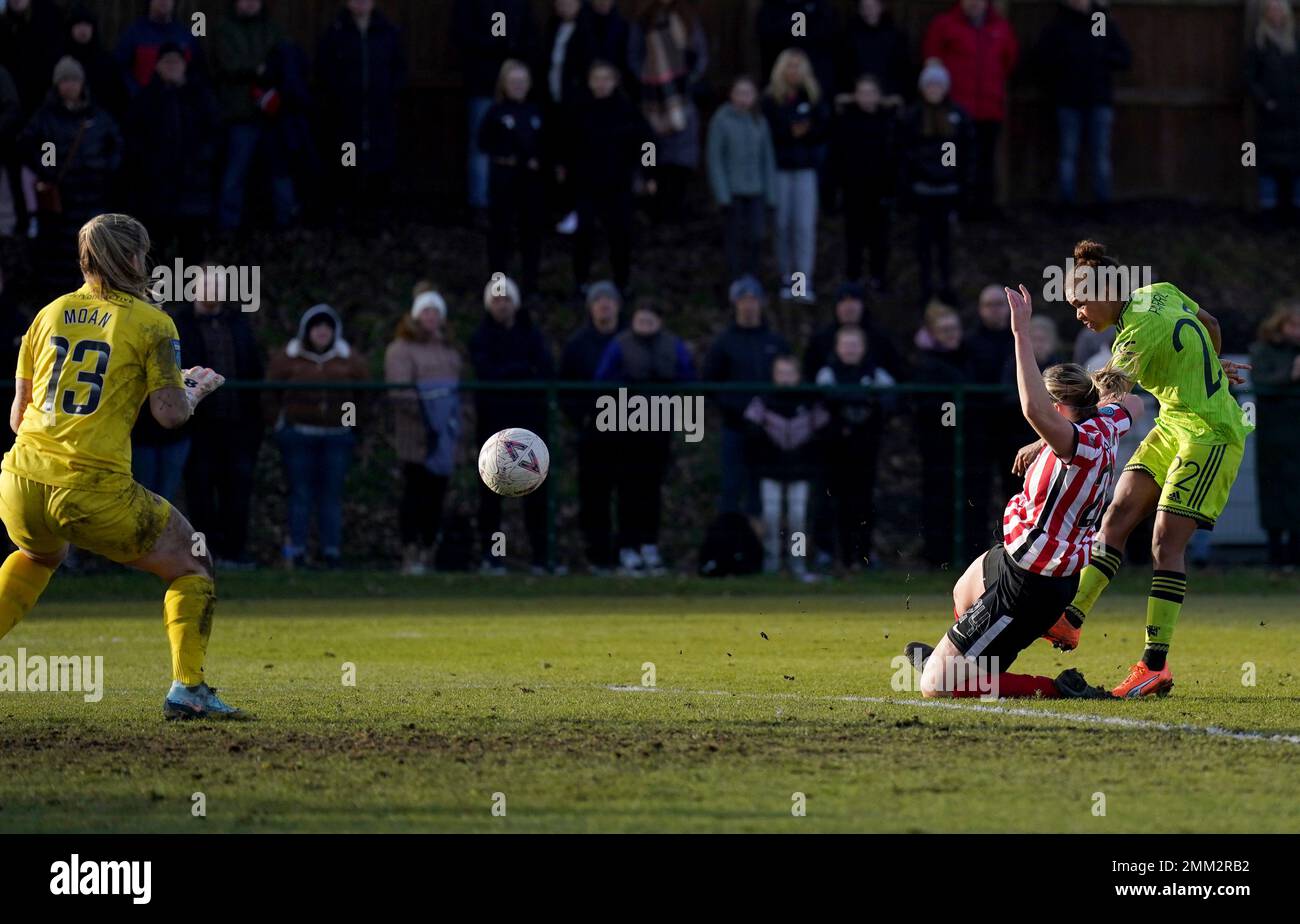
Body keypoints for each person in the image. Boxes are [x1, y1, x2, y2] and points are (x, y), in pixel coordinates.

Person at [0, 213, 239, 719]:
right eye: (143, 254)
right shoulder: (153, 322)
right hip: (88, 486)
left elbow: (18, 416)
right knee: (194, 562)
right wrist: (194, 390)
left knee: (37, 558)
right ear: (132, 259)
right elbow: (170, 414)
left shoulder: (47, 313)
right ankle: (189, 690)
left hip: (20, 478)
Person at [902, 283, 1141, 700]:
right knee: (964, 589)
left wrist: (1021, 334)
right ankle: (968, 655)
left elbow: (1033, 408)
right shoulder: (1102, 423)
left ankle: (1057, 688)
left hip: (1033, 582)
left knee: (934, 687)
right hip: (1021, 559)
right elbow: (1131, 404)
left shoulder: (1077, 444)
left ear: (1060, 410)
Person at [1043, 240, 1253, 697]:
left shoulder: (1136, 331)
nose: (1077, 312)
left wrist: (1043, 430)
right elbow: (1210, 322)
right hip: (1173, 421)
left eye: (1080, 301)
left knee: (1164, 542)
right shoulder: (1160, 290)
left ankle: (1154, 665)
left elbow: (1109, 391)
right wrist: (1211, 362)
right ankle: (1071, 618)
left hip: (1210, 431)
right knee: (1117, 515)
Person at [175, 267, 265, 570]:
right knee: (200, 492)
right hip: (198, 425)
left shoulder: (237, 323)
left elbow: (252, 365)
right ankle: (204, 554)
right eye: (207, 285)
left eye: (219, 286)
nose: (213, 291)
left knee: (237, 490)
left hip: (237, 424)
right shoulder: (181, 324)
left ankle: (234, 553)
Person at [594, 297, 693, 575]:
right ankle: (628, 547)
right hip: (626, 426)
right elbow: (602, 380)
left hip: (660, 424)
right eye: (641, 320)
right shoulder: (621, 345)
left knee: (652, 488)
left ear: (659, 322)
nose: (645, 325)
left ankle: (649, 545)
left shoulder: (672, 345)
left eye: (650, 320)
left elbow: (689, 379)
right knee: (628, 488)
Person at [266, 303, 368, 569]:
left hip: (337, 436)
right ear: (307, 330)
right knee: (300, 494)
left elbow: (365, 396)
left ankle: (331, 551)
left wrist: (353, 425)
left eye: (327, 327)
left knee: (331, 496)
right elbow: (270, 393)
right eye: (316, 326)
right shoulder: (288, 358)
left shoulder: (350, 360)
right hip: (299, 435)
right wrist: (280, 423)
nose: (322, 332)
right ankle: (296, 551)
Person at [18, 56, 123, 302]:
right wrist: (48, 170)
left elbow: (117, 144)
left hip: (94, 196)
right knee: (59, 256)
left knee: (93, 249)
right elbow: (29, 144)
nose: (70, 86)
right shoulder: (46, 116)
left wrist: (106, 168)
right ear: (57, 85)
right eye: (65, 81)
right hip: (61, 200)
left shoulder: (98, 115)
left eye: (74, 80)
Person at [468, 275, 555, 573]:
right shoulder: (480, 336)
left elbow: (543, 368)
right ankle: (491, 557)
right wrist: (518, 371)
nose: (502, 305)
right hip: (493, 430)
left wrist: (511, 373)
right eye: (496, 300)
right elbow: (486, 371)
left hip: (530, 430)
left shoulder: (531, 333)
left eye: (506, 299)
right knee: (491, 496)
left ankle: (541, 558)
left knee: (535, 493)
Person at [385, 283, 463, 575]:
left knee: (436, 496)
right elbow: (401, 392)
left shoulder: (449, 352)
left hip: (444, 436)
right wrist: (426, 420)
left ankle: (429, 550)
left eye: (436, 312)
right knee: (414, 493)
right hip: (416, 437)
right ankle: (410, 551)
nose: (431, 317)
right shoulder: (400, 350)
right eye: (426, 311)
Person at [921, 0, 1018, 218]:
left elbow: (1009, 59)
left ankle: (984, 206)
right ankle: (956, 206)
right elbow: (932, 60)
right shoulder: (944, 25)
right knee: (953, 159)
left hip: (989, 108)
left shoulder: (1000, 27)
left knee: (985, 159)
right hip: (955, 109)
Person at [124, 42, 219, 266]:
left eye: (176, 61)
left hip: (194, 187)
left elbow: (215, 134)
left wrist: (201, 161)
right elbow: (134, 139)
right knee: (154, 249)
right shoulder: (145, 99)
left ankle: (190, 298)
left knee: (192, 248)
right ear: (157, 66)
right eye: (167, 62)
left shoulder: (200, 97)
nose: (172, 66)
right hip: (157, 189)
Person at [1033, 0, 1131, 215]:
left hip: (1098, 99)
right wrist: (1064, 69)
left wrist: (1101, 61)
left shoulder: (1100, 20)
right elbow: (1042, 59)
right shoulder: (1059, 24)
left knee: (1100, 155)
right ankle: (1066, 204)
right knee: (1068, 154)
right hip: (1068, 101)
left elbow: (1123, 56)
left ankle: (1103, 204)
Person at [704, 276, 791, 517]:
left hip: (769, 428)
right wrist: (735, 408)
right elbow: (710, 384)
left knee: (762, 491)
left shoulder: (776, 342)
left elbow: (789, 381)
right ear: (735, 303)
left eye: (753, 299)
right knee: (731, 487)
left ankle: (759, 549)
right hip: (735, 427)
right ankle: (728, 548)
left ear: (761, 303)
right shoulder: (723, 343)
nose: (749, 305)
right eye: (743, 299)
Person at [316, 0, 407, 225]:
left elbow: (399, 67)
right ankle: (348, 212)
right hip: (347, 115)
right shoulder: (335, 32)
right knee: (348, 163)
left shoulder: (388, 31)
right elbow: (323, 69)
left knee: (379, 164)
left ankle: (376, 216)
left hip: (379, 113)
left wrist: (388, 91)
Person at [565, 60, 653, 295]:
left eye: (606, 79)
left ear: (615, 82)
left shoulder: (627, 110)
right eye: (597, 79)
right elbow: (564, 145)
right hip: (586, 184)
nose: (602, 84)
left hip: (618, 184)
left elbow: (647, 143)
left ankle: (621, 282)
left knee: (621, 234)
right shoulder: (578, 109)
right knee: (584, 234)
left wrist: (648, 173)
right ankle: (580, 281)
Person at [815, 325, 895, 570]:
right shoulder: (828, 373)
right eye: (845, 345)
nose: (850, 350)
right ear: (837, 348)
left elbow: (891, 399)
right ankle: (833, 556)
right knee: (833, 503)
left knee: (863, 504)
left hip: (865, 453)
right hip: (834, 453)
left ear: (863, 348)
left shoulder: (876, 373)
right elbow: (824, 401)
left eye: (854, 345)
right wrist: (863, 399)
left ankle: (863, 556)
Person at [212, 0, 294, 230]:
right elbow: (227, 63)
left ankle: (285, 224)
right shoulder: (224, 29)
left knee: (280, 173)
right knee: (235, 175)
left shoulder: (273, 29)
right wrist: (259, 69)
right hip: (239, 114)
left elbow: (284, 61)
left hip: (272, 114)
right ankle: (227, 227)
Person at [560, 281, 625, 573]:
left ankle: (627, 552)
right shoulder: (577, 344)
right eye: (598, 301)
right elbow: (565, 388)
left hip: (629, 431)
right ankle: (597, 555)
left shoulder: (629, 340)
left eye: (609, 300)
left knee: (629, 493)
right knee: (594, 495)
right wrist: (582, 417)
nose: (604, 305)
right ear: (591, 307)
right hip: (593, 433)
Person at [744, 354, 828, 579]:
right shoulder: (763, 399)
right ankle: (771, 563)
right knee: (771, 514)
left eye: (790, 373)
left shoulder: (809, 400)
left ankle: (797, 563)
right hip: (770, 467)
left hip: (800, 468)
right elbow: (751, 429)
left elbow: (821, 430)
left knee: (797, 516)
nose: (785, 378)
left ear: (798, 376)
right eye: (780, 373)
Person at [897, 59, 972, 308]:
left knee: (946, 245)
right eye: (929, 85)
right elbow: (903, 153)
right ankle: (926, 288)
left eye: (938, 85)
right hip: (922, 191)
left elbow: (966, 153)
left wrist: (962, 185)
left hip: (948, 191)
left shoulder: (957, 115)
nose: (934, 90)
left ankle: (947, 286)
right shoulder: (913, 116)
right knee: (924, 244)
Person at [453, 0, 538, 214]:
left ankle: (513, 201)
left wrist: (514, 51)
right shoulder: (472, 5)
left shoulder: (519, 5)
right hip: (483, 84)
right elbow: (462, 36)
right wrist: (496, 44)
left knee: (518, 142)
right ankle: (481, 204)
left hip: (515, 88)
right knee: (481, 147)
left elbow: (530, 36)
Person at [629, 0, 709, 221]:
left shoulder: (688, 19)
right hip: (651, 101)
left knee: (680, 157)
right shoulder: (642, 22)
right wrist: (649, 80)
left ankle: (675, 209)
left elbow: (700, 55)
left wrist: (686, 81)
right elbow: (633, 57)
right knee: (651, 152)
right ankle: (651, 205)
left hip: (681, 100)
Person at [764, 48, 829, 302]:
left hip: (805, 170)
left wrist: (806, 132)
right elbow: (771, 133)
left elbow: (822, 129)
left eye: (798, 66)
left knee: (804, 226)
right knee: (782, 225)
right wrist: (790, 130)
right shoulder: (771, 100)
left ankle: (802, 282)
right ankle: (785, 277)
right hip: (780, 169)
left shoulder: (813, 98)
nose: (794, 71)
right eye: (789, 66)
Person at [480, 60, 546, 296]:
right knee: (500, 234)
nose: (518, 86)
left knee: (531, 234)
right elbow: (483, 143)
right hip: (504, 180)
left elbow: (546, 144)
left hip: (531, 182)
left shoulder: (536, 111)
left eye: (522, 82)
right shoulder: (495, 112)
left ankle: (531, 285)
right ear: (504, 84)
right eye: (513, 82)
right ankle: (498, 284)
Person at [706, 75, 778, 283]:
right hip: (733, 192)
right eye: (739, 93)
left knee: (756, 237)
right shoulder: (721, 120)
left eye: (748, 93)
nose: (743, 98)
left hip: (756, 190)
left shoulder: (760, 121)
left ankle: (753, 280)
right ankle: (736, 282)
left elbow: (767, 158)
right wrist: (722, 195)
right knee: (735, 240)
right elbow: (715, 158)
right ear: (731, 95)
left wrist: (771, 195)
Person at [833, 74, 898, 290]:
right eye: (862, 93)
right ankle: (854, 279)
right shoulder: (846, 121)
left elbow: (895, 157)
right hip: (854, 189)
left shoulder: (888, 121)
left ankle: (878, 277)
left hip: (881, 190)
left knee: (879, 238)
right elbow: (838, 157)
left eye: (871, 93)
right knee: (854, 237)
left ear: (879, 96)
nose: (867, 97)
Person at [1248, 301, 1300, 567]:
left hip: (1296, 439)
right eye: (1293, 325)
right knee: (1273, 494)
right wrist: (1291, 374)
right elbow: (1261, 382)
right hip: (1273, 438)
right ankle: (1275, 557)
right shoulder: (1264, 351)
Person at [1245, 0, 1300, 226]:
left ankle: (1293, 210)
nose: (1276, 14)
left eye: (1280, 10)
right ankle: (1268, 212)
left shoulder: (1295, 43)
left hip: (1295, 116)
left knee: (1294, 167)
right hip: (1269, 117)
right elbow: (1248, 79)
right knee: (1265, 165)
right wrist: (1265, 101)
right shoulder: (1259, 44)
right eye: (1271, 10)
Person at [115, 0, 207, 97]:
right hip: (145, 105)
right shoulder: (134, 34)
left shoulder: (186, 36)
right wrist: (138, 95)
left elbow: (198, 72)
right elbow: (120, 71)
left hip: (182, 104)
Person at [756, 0, 839, 104]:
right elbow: (767, 36)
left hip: (816, 74)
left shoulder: (822, 7)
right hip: (779, 72)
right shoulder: (771, 8)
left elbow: (830, 36)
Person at [836, 0, 911, 103]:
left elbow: (902, 68)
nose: (869, 11)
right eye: (865, 7)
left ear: (881, 7)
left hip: (888, 96)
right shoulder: (849, 36)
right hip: (857, 96)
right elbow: (844, 68)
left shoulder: (896, 35)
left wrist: (894, 94)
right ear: (860, 10)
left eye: (873, 6)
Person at [64, 5, 129, 121]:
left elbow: (118, 98)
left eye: (87, 25)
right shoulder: (62, 61)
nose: (83, 29)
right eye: (78, 24)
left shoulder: (106, 62)